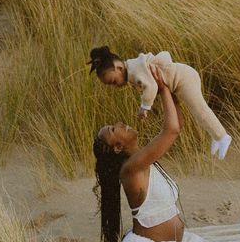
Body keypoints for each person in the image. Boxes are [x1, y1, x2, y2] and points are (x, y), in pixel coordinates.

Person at [92, 63, 238, 242]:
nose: (120, 123)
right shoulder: (131, 169)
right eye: (113, 129)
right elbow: (172, 130)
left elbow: (176, 125)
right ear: (118, 148)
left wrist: (172, 89)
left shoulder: (142, 158)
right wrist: (161, 89)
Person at [89, 45, 232, 160]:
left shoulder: (134, 70)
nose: (116, 85)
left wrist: (145, 107)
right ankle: (215, 135)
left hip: (184, 79)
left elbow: (151, 86)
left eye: (114, 81)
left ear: (119, 67)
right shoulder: (133, 69)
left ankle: (222, 136)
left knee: (200, 110)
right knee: (196, 112)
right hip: (179, 81)